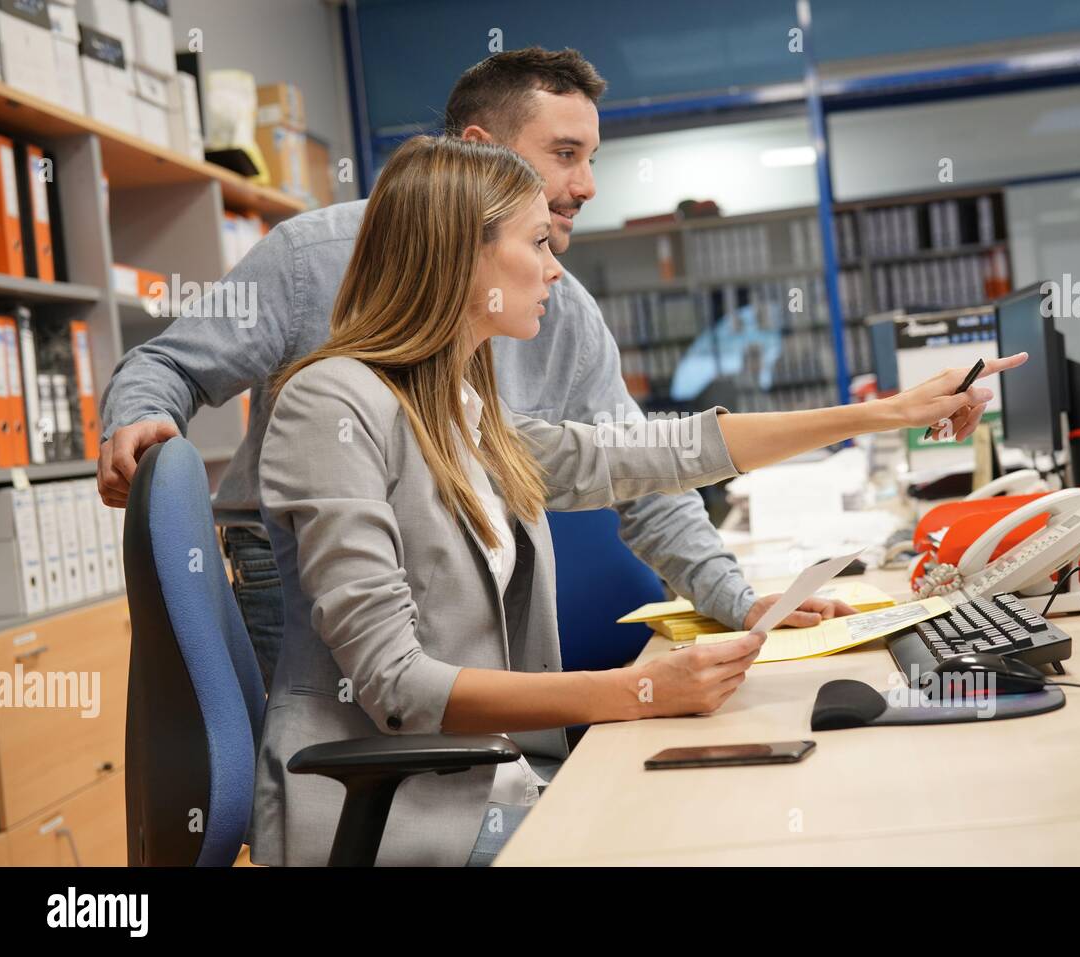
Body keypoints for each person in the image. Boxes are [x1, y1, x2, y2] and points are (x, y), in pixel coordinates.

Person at [249, 135, 1027, 866]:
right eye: (536, 244)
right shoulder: (332, 405)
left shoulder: (458, 408)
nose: (555, 269)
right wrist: (644, 690)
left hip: (498, 782)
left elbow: (658, 451)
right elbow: (395, 685)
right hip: (407, 820)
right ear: (463, 257)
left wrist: (885, 410)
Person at [97, 47, 852, 691]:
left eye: (592, 159)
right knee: (347, 780)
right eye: (565, 155)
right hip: (301, 578)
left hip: (465, 575)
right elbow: (169, 364)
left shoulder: (561, 306)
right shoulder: (313, 259)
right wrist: (140, 415)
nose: (587, 186)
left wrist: (741, 599)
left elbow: (639, 471)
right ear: (476, 149)